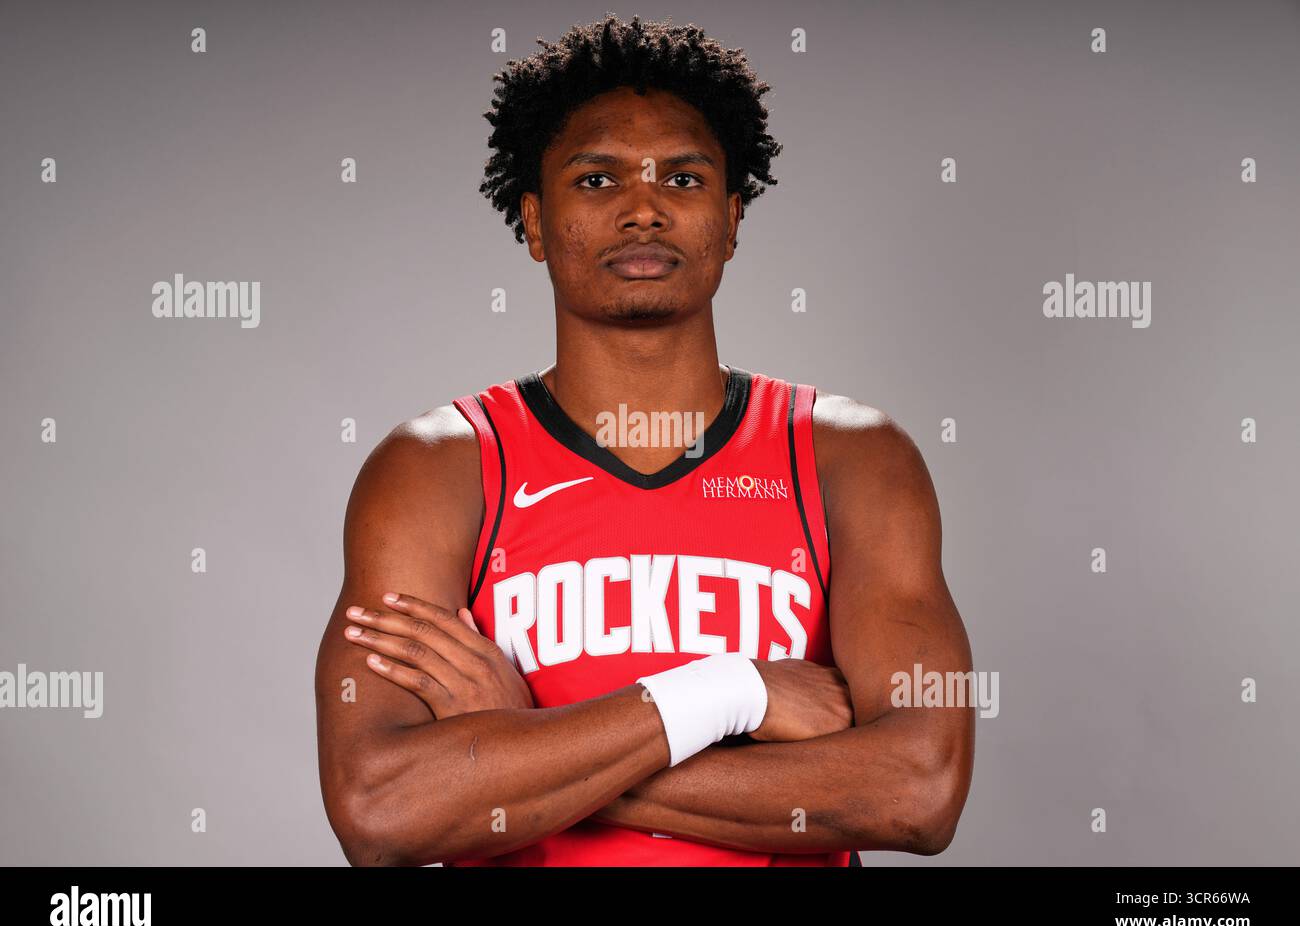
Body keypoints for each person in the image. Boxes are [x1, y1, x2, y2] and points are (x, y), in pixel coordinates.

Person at [314, 14, 974, 866]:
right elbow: (381, 807)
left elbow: (917, 790)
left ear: (732, 219)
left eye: (686, 180)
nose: (644, 209)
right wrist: (729, 693)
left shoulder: (850, 458)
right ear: (536, 222)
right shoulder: (439, 469)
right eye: (596, 180)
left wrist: (523, 745)